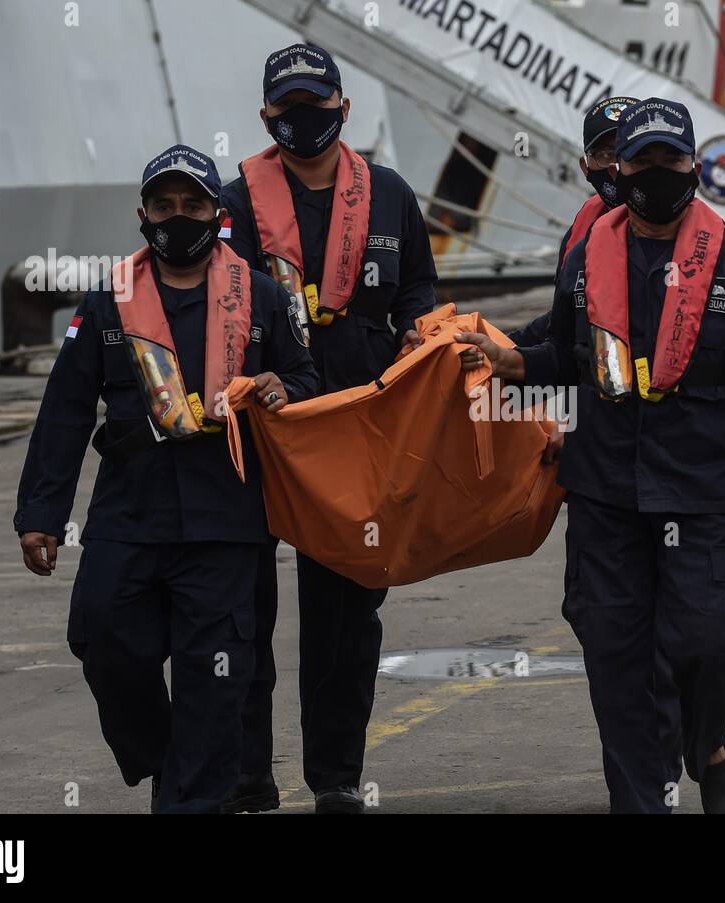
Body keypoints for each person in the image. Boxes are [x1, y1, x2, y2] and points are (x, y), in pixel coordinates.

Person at [457, 98, 725, 813]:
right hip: (605, 491)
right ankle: (640, 800)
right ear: (619, 169)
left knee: (709, 638)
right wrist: (510, 361)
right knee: (616, 653)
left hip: (701, 490)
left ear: (694, 166)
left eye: (669, 159)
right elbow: (564, 355)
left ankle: (707, 744)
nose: (655, 172)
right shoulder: (586, 260)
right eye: (641, 160)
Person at [15, 144, 319, 813]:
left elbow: (305, 378)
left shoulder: (262, 296)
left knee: (215, 681)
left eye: (192, 205)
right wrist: (41, 513)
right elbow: (66, 408)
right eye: (163, 205)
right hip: (130, 513)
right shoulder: (109, 300)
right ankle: (166, 756)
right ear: (143, 215)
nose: (178, 217)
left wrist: (283, 387)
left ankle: (190, 794)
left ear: (217, 214)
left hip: (227, 521)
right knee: (102, 638)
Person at [221, 43, 454, 813]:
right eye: (288, 108)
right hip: (261, 434)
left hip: (358, 433)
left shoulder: (389, 196)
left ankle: (336, 777)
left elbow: (418, 287)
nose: (303, 119)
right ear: (266, 117)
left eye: (316, 106)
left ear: (343, 109)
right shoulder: (233, 204)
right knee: (239, 610)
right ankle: (247, 775)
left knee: (347, 615)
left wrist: (420, 333)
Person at [503, 95, 637, 350]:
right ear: (585, 167)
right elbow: (561, 326)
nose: (616, 166)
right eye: (606, 154)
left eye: (628, 152)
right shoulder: (582, 234)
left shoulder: (686, 237)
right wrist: (504, 348)